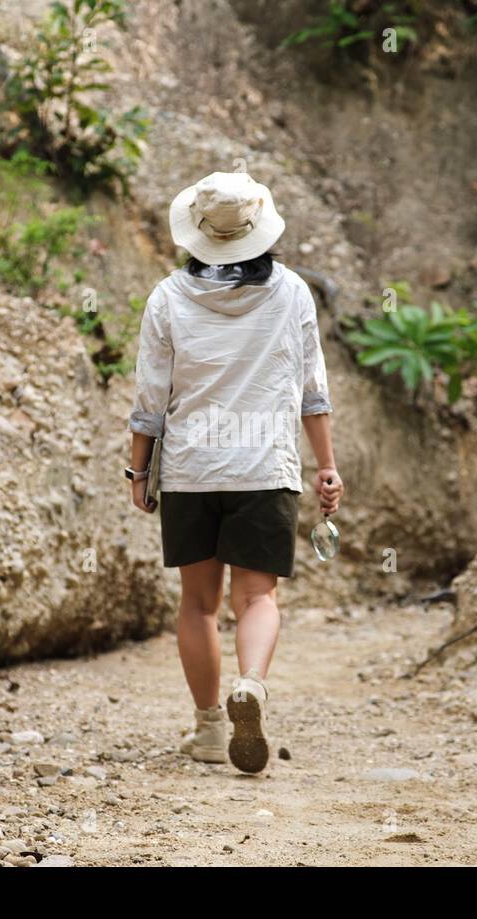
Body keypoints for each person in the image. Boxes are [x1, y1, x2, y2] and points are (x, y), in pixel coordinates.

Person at [126, 170, 343, 774]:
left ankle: (208, 729)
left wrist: (137, 472)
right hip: (265, 467)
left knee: (198, 604)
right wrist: (326, 466)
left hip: (194, 471)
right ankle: (250, 684)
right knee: (257, 596)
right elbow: (312, 392)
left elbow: (150, 398)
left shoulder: (167, 297)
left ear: (196, 233)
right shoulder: (294, 292)